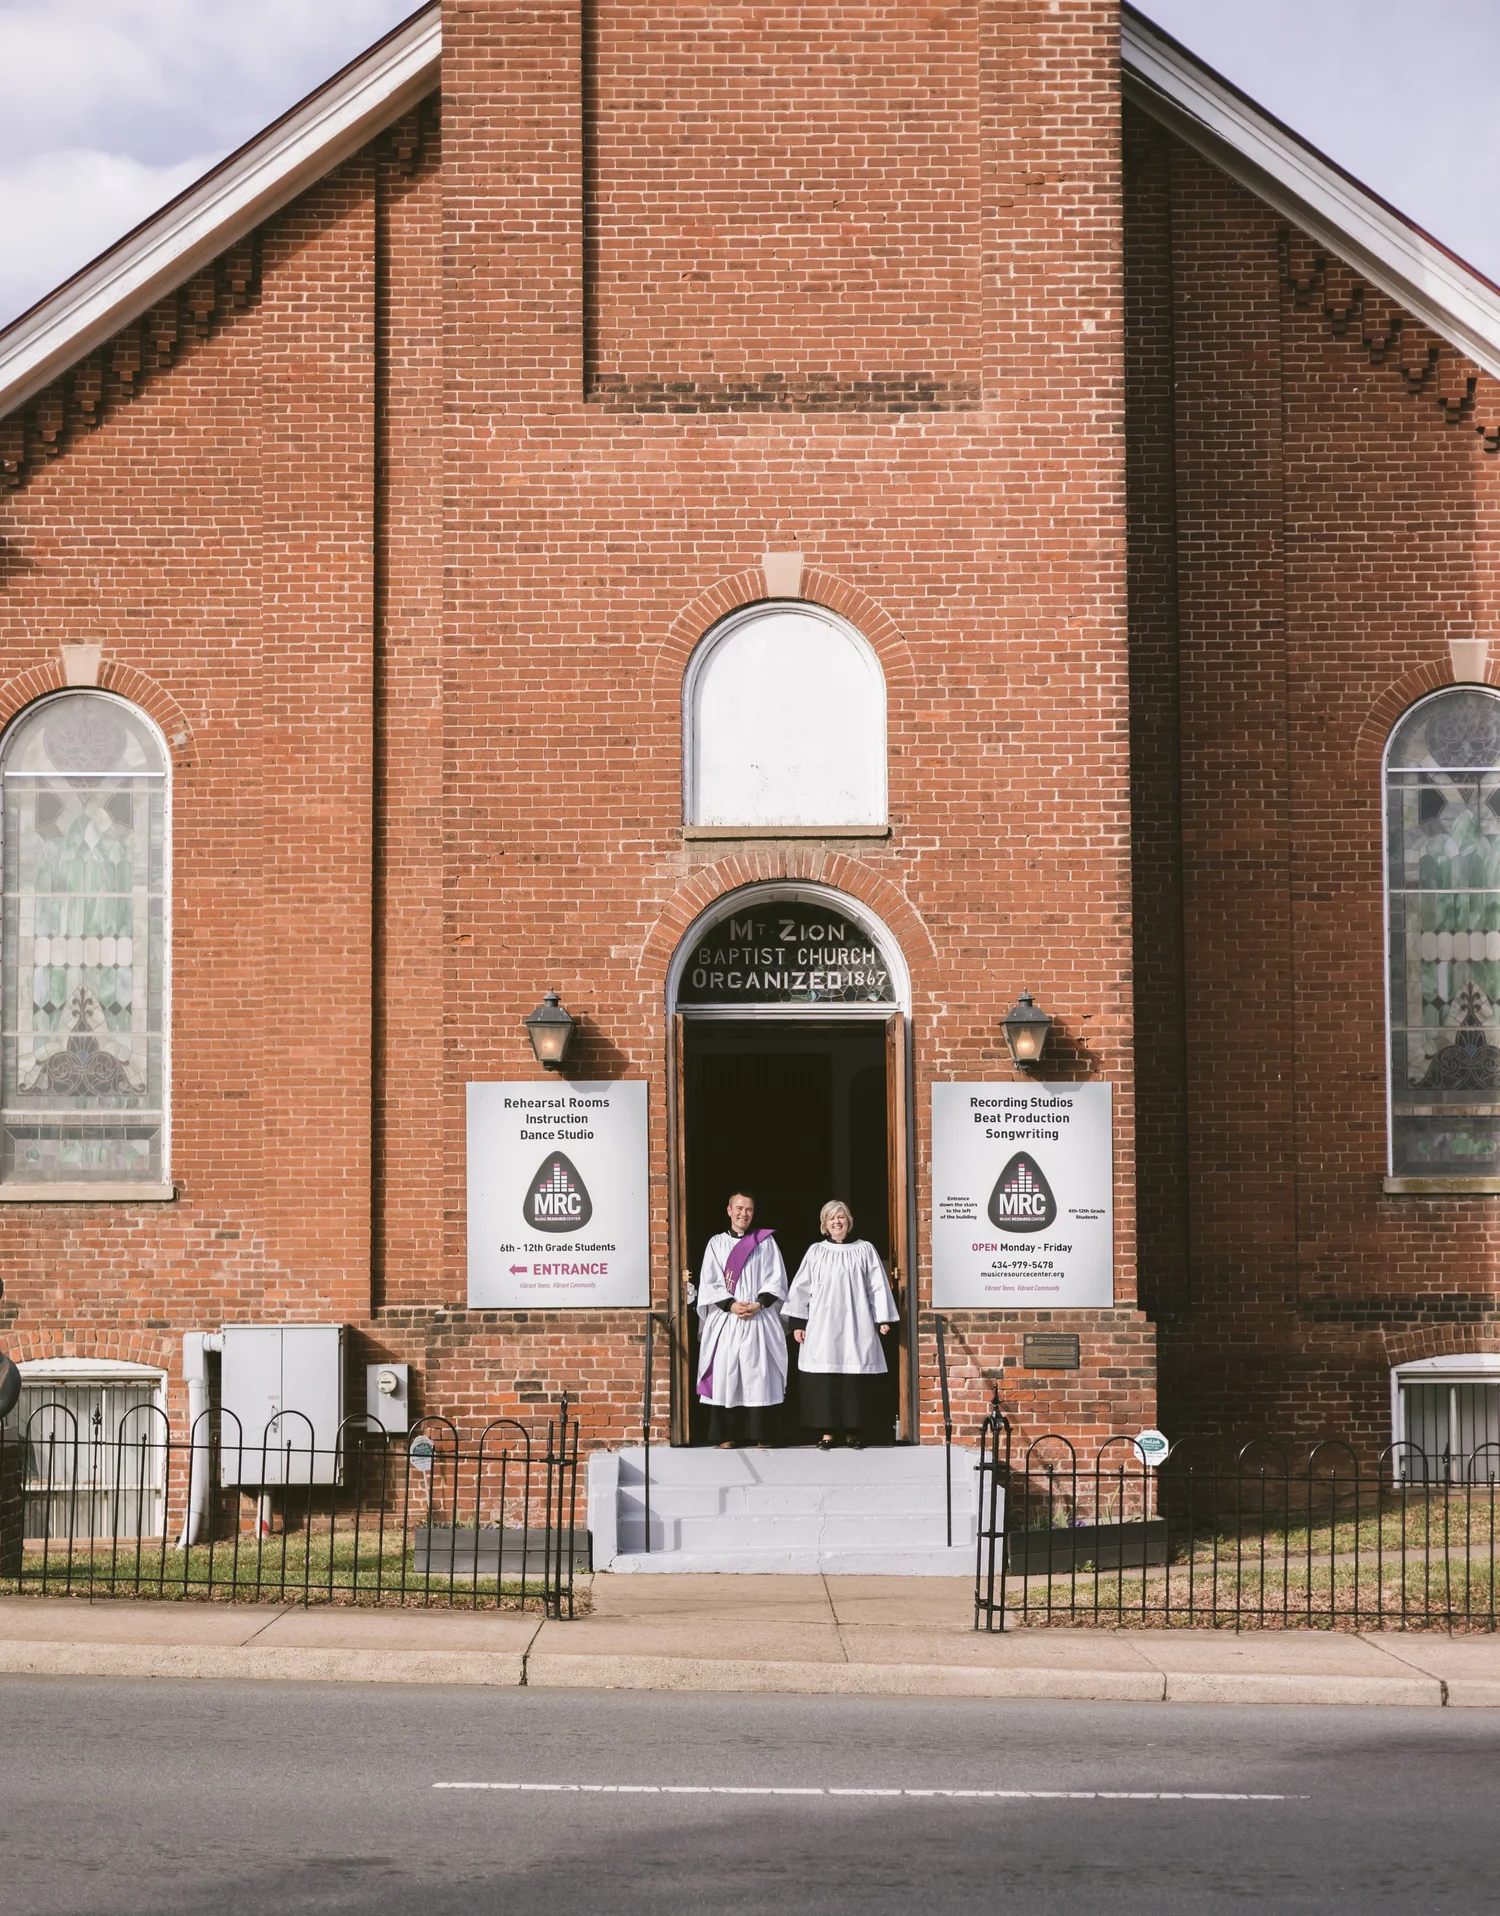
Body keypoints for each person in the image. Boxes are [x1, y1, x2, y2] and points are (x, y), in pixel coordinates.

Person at [784, 1200, 899, 1450]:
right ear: (825, 1224)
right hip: (822, 1322)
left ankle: (852, 1433)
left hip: (856, 1321)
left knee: (853, 1374)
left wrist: (883, 1318)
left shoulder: (865, 1250)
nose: (837, 1222)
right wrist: (797, 1322)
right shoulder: (816, 1251)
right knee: (824, 1374)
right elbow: (801, 1288)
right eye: (831, 1218)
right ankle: (826, 1432)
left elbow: (877, 1285)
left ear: (848, 1221)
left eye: (841, 1217)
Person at [696, 1190, 789, 1448]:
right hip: (728, 1318)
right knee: (728, 1372)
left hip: (758, 1316)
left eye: (748, 1209)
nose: (743, 1213)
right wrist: (731, 1305)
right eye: (739, 1208)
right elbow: (710, 1281)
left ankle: (763, 1432)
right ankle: (728, 1434)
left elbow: (776, 1278)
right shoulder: (716, 1243)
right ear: (729, 1211)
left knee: (759, 1374)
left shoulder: (765, 1243)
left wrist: (759, 1303)